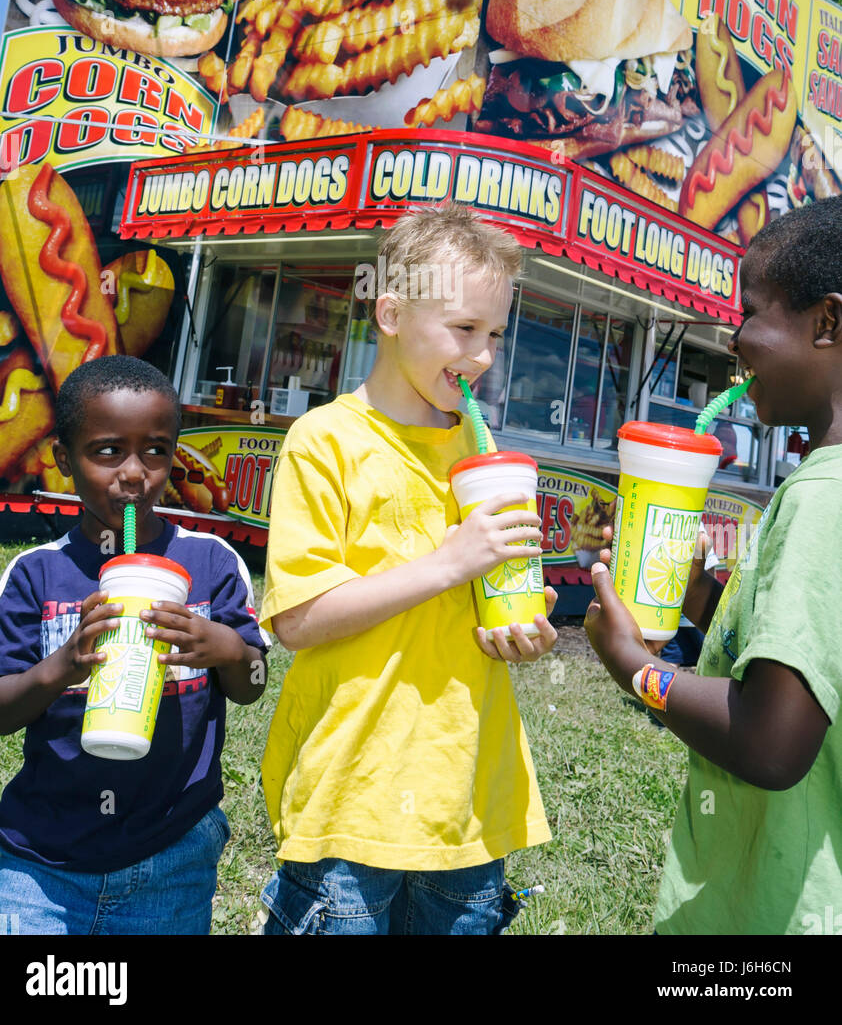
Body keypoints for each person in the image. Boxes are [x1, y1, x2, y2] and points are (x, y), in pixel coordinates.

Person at [259, 204, 555, 935]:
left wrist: (521, 627)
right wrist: (449, 562)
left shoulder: (485, 459)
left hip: (466, 806)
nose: (482, 355)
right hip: (349, 806)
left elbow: (491, 604)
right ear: (390, 312)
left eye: (494, 334)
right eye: (463, 329)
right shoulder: (324, 440)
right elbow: (299, 619)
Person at [584, 196, 842, 935]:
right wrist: (701, 596)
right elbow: (805, 657)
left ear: (827, 322)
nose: (734, 338)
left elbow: (771, 740)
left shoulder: (822, 500)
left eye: (751, 310)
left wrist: (635, 666)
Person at [0, 356, 268, 935]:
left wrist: (227, 650)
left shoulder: (211, 564)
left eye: (156, 450)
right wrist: (61, 666)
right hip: (44, 861)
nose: (134, 474)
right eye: (107, 451)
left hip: (172, 850)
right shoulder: (37, 574)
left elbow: (253, 685)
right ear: (64, 460)